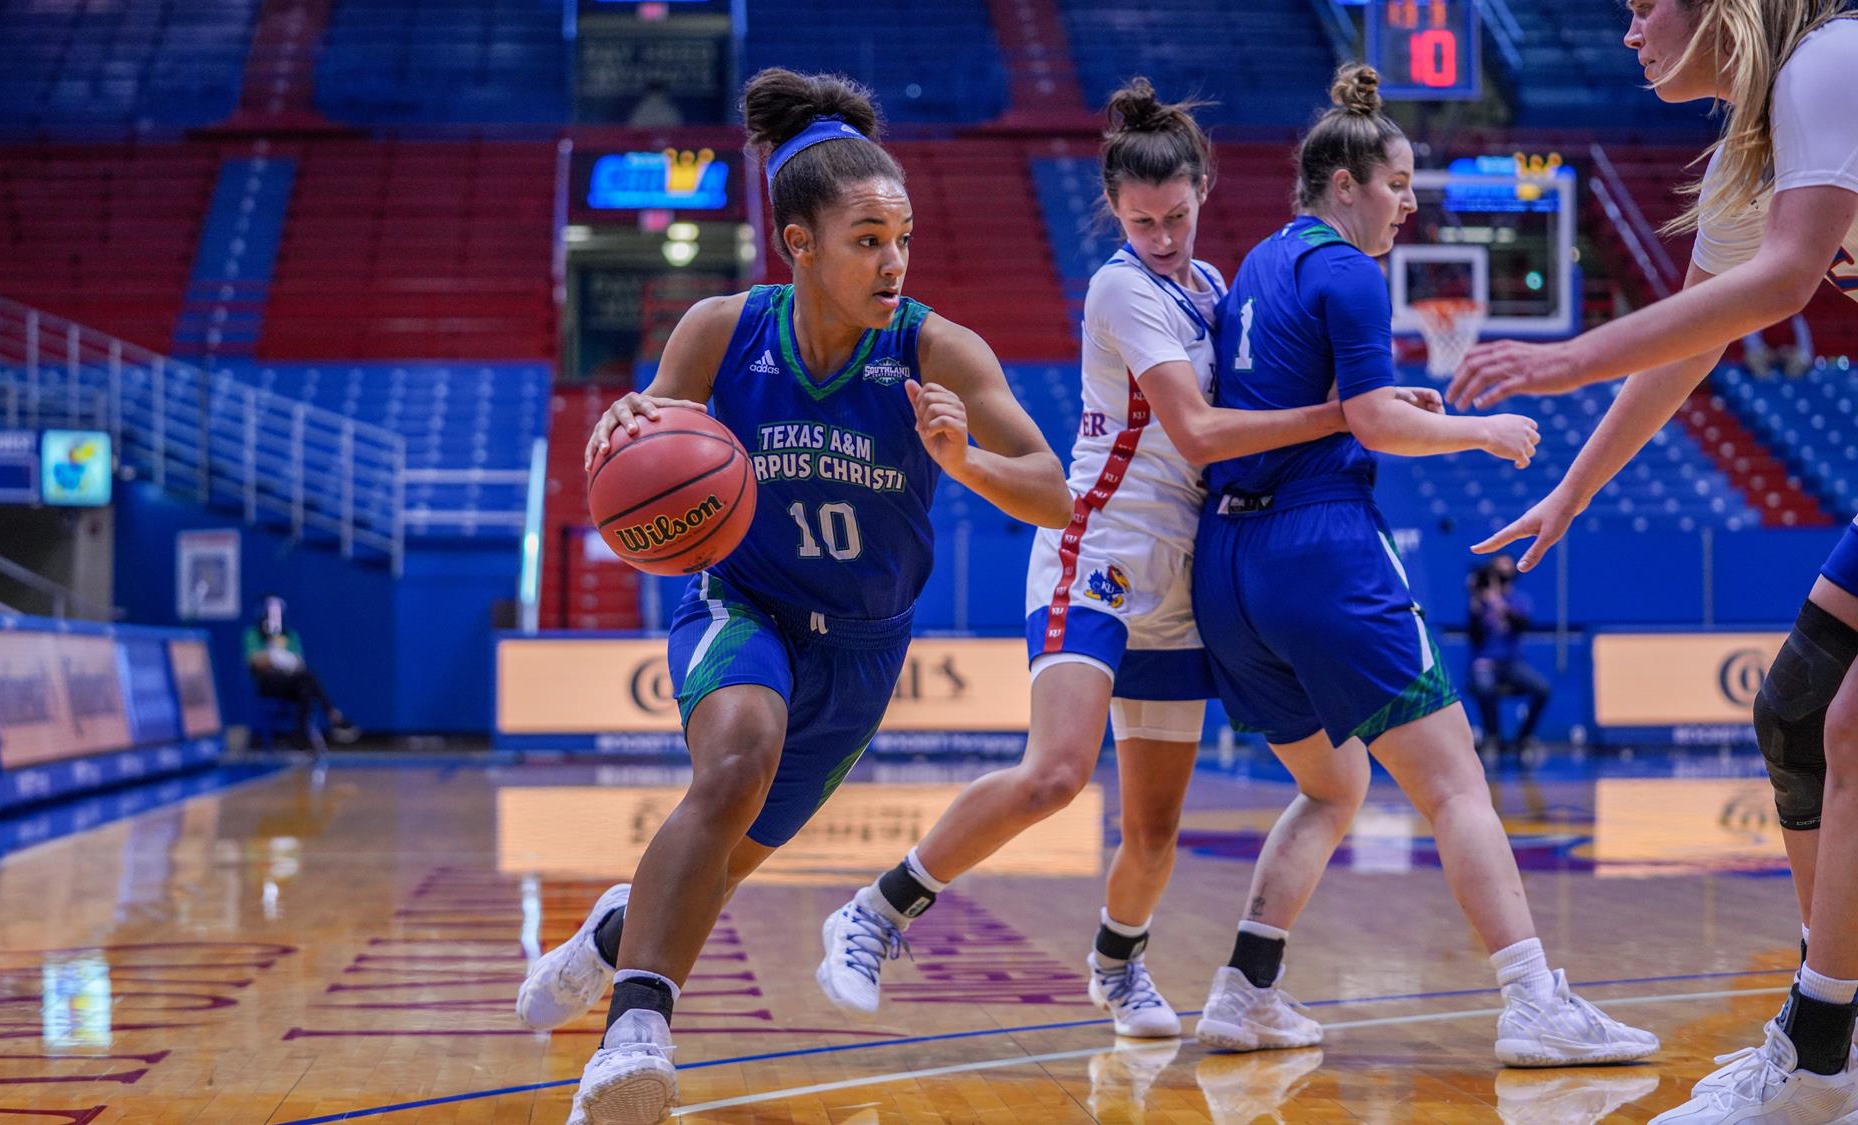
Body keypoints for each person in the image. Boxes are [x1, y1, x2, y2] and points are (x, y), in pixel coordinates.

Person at [517, 68, 1071, 1125]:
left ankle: (606, 940)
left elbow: (1052, 492)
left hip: (862, 648)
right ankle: (632, 1039)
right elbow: (648, 442)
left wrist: (961, 461)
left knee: (718, 866)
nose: (893, 259)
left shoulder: (936, 349)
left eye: (902, 236)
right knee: (732, 763)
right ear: (799, 245)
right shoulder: (721, 331)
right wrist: (624, 428)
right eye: (867, 238)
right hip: (741, 602)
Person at [812, 77, 1403, 1049]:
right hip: (1097, 543)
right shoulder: (1119, 286)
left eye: (1173, 217)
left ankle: (1116, 965)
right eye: (1140, 221)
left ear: (1202, 193)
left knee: (1154, 831)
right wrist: (1358, 412)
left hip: (1179, 569)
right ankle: (876, 910)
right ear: (1115, 214)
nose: (1160, 236)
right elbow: (1198, 431)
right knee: (1053, 773)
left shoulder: (1212, 290)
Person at [1191, 64, 1657, 1067]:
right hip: (1318, 545)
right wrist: (1482, 432)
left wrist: (1406, 412)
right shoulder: (1351, 272)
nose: (1409, 202)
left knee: (1332, 788)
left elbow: (1327, 403)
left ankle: (1241, 990)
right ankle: (1531, 1000)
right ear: (1344, 182)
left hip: (1226, 562)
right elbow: (1363, 422)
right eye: (1398, 182)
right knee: (1454, 786)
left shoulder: (1261, 262)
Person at [1448, 2, 1858, 1118]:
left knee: (1847, 726)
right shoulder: (1762, 133)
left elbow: (1779, 286)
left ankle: (1822, 1056)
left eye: (1642, 8)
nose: (1628, 33)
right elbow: (1698, 327)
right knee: (1798, 709)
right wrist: (1571, 493)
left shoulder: (1831, 61)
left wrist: (1567, 357)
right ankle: (1834, 1031)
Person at [244, 595, 360, 747]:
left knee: (306, 688)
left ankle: (300, 738)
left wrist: (276, 658)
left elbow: (299, 663)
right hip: (268, 683)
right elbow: (256, 662)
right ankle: (333, 715)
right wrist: (277, 657)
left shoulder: (290, 635)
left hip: (290, 683)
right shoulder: (252, 634)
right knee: (308, 678)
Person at [1467, 555, 1551, 756]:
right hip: (1485, 662)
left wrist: (1498, 603)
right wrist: (1476, 609)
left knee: (1542, 689)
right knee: (1484, 687)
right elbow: (1474, 637)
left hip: (1512, 662)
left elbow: (1521, 625)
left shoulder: (1519, 599)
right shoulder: (1479, 601)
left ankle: (1522, 738)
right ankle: (1493, 737)